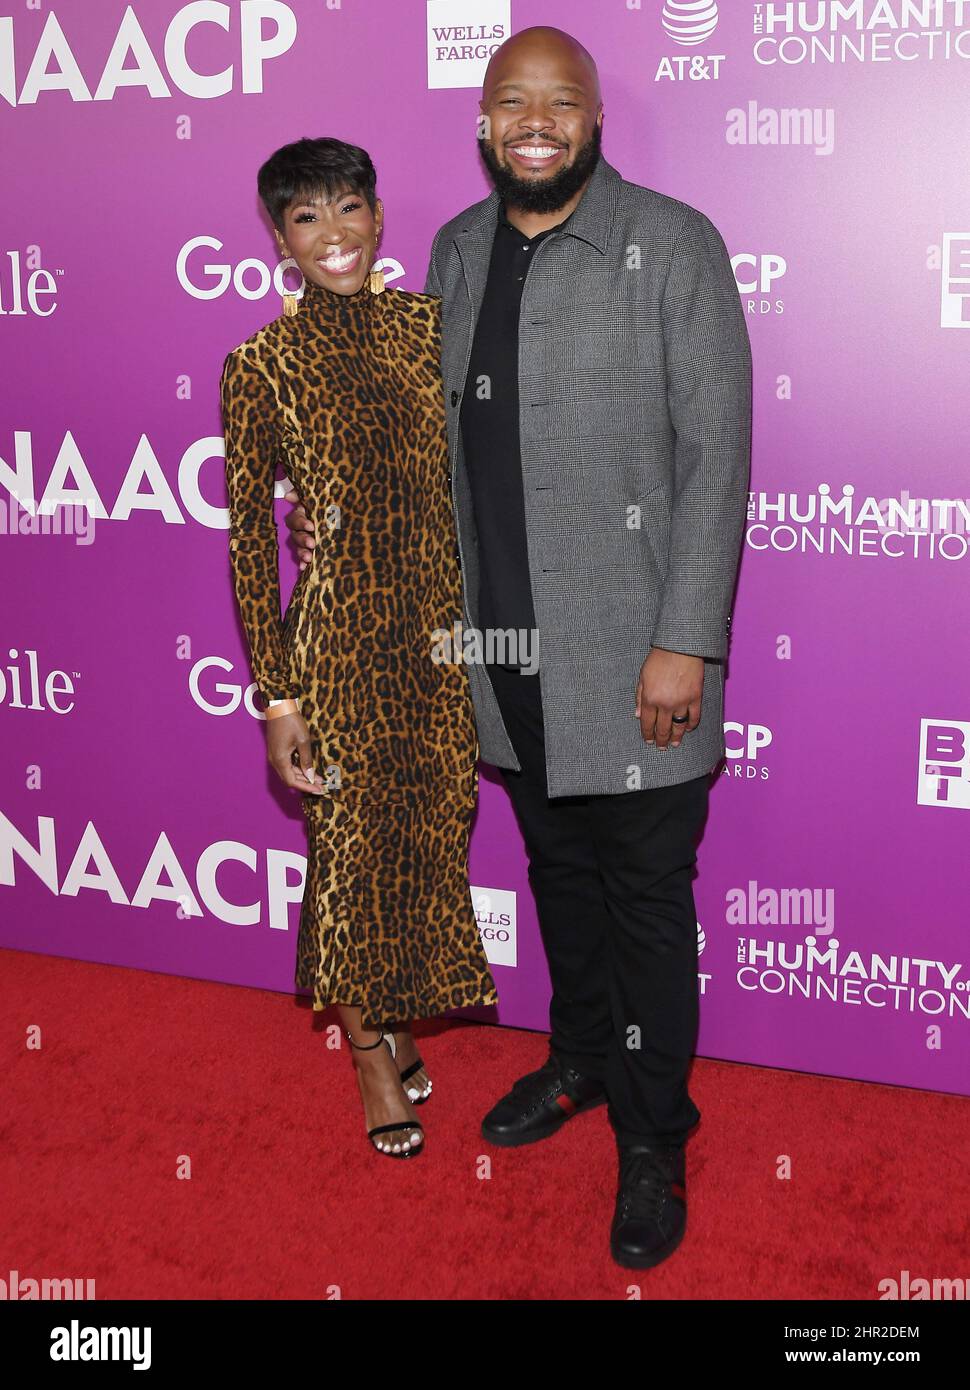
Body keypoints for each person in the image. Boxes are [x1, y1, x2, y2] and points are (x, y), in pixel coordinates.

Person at [286, 26, 752, 1265]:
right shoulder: (455, 250)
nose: (532, 120)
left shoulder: (674, 244)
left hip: (636, 660)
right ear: (484, 126)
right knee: (558, 884)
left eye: (559, 102)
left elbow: (715, 462)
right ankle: (585, 1060)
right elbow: (432, 453)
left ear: (593, 121)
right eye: (510, 103)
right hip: (501, 659)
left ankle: (655, 1133)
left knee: (648, 905)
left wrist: (685, 642)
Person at [220, 136, 497, 1160]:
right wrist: (277, 699)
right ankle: (373, 1048)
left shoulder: (433, 331)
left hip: (437, 640)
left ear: (379, 219)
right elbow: (252, 537)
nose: (331, 235)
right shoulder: (260, 365)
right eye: (305, 218)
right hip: (334, 648)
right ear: (279, 237)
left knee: (425, 839)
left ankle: (396, 1007)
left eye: (348, 210)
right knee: (345, 852)